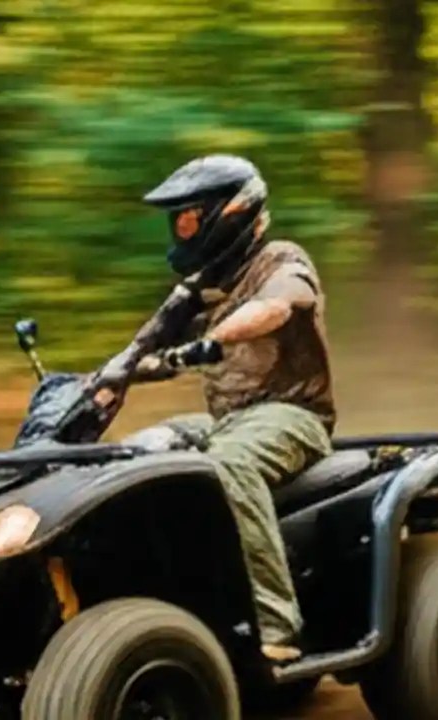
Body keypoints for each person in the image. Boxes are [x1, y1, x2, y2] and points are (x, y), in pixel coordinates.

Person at [89, 154, 335, 663]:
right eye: (176, 220)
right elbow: (142, 348)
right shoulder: (198, 287)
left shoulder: (282, 261)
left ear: (231, 213)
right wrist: (104, 384)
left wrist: (212, 340)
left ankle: (277, 625)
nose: (179, 230)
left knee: (227, 465)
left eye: (188, 217)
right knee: (133, 458)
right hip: (228, 421)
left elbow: (276, 308)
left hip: (293, 415)